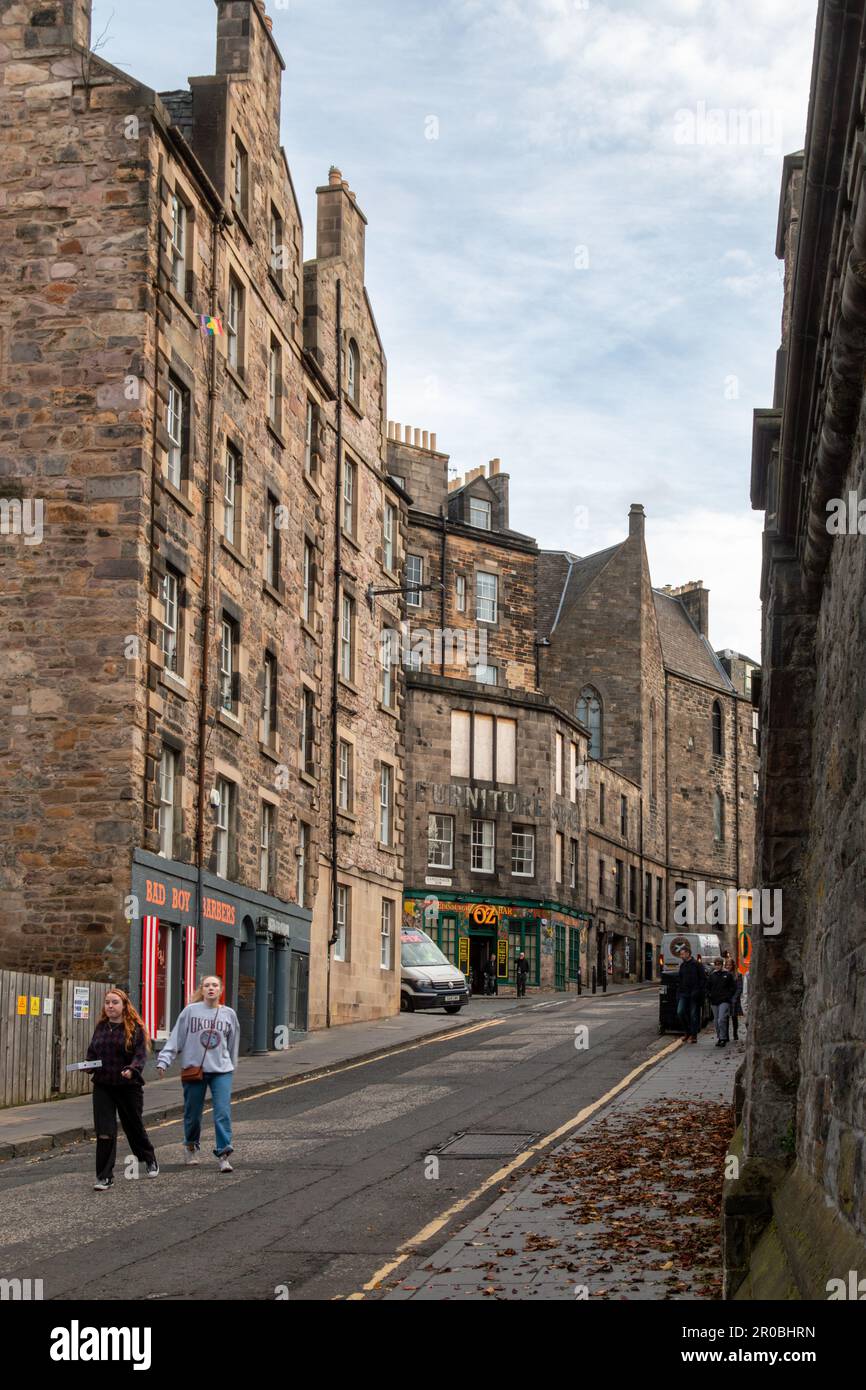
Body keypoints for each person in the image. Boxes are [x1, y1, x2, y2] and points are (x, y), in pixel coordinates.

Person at [157, 975, 240, 1172]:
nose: (211, 988)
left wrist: (232, 1065)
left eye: (215, 985)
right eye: (207, 985)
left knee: (222, 1112)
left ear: (220, 990)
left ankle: (223, 1154)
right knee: (192, 1114)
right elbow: (176, 1038)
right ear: (201, 990)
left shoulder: (229, 1014)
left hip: (221, 1071)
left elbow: (233, 1044)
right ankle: (191, 1145)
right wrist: (163, 1061)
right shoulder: (190, 1012)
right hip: (195, 1070)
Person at [86, 988, 158, 1192]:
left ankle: (148, 1157)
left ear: (124, 1005)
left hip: (128, 1087)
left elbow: (140, 1055)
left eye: (115, 1002)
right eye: (107, 1002)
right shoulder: (101, 1027)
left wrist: (132, 1069)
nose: (110, 1006)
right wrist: (89, 1065)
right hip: (103, 1086)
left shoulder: (134, 1028)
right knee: (104, 1132)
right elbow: (92, 1053)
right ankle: (104, 1176)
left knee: (133, 1127)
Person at [675, 943, 703, 1043]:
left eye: (682, 954)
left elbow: (702, 980)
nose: (681, 956)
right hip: (684, 993)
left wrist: (698, 991)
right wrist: (679, 993)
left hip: (694, 994)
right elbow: (680, 980)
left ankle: (693, 1035)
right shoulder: (682, 965)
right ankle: (687, 1032)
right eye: (680, 954)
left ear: (688, 953)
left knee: (693, 1015)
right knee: (680, 1012)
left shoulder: (697, 965)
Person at [707, 957, 735, 1046]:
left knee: (721, 1019)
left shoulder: (727, 974)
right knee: (716, 1021)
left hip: (724, 1000)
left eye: (719, 964)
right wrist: (709, 995)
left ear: (722, 965)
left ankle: (723, 1038)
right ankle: (719, 1037)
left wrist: (728, 996)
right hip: (714, 1001)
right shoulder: (712, 975)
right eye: (716, 965)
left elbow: (732, 987)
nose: (717, 966)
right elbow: (707, 987)